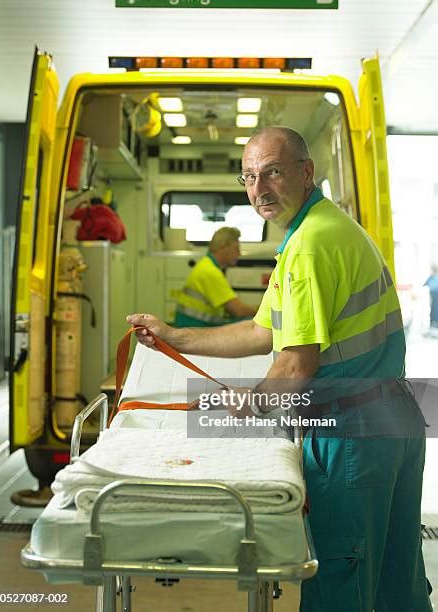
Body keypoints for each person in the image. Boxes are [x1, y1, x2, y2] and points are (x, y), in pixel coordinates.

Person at [128, 126, 432, 612]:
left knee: (342, 574)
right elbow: (260, 331)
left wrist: (243, 407)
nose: (258, 189)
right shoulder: (320, 230)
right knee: (397, 576)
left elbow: (294, 365)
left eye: (272, 172)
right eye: (248, 177)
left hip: (350, 430)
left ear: (306, 172)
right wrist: (174, 336)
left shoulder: (309, 247)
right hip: (392, 416)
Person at [174, 226, 257, 327]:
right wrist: (263, 310)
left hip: (192, 325)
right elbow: (238, 311)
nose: (239, 253)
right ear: (223, 247)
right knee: (249, 323)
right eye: (236, 249)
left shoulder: (206, 264)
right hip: (196, 328)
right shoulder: (210, 272)